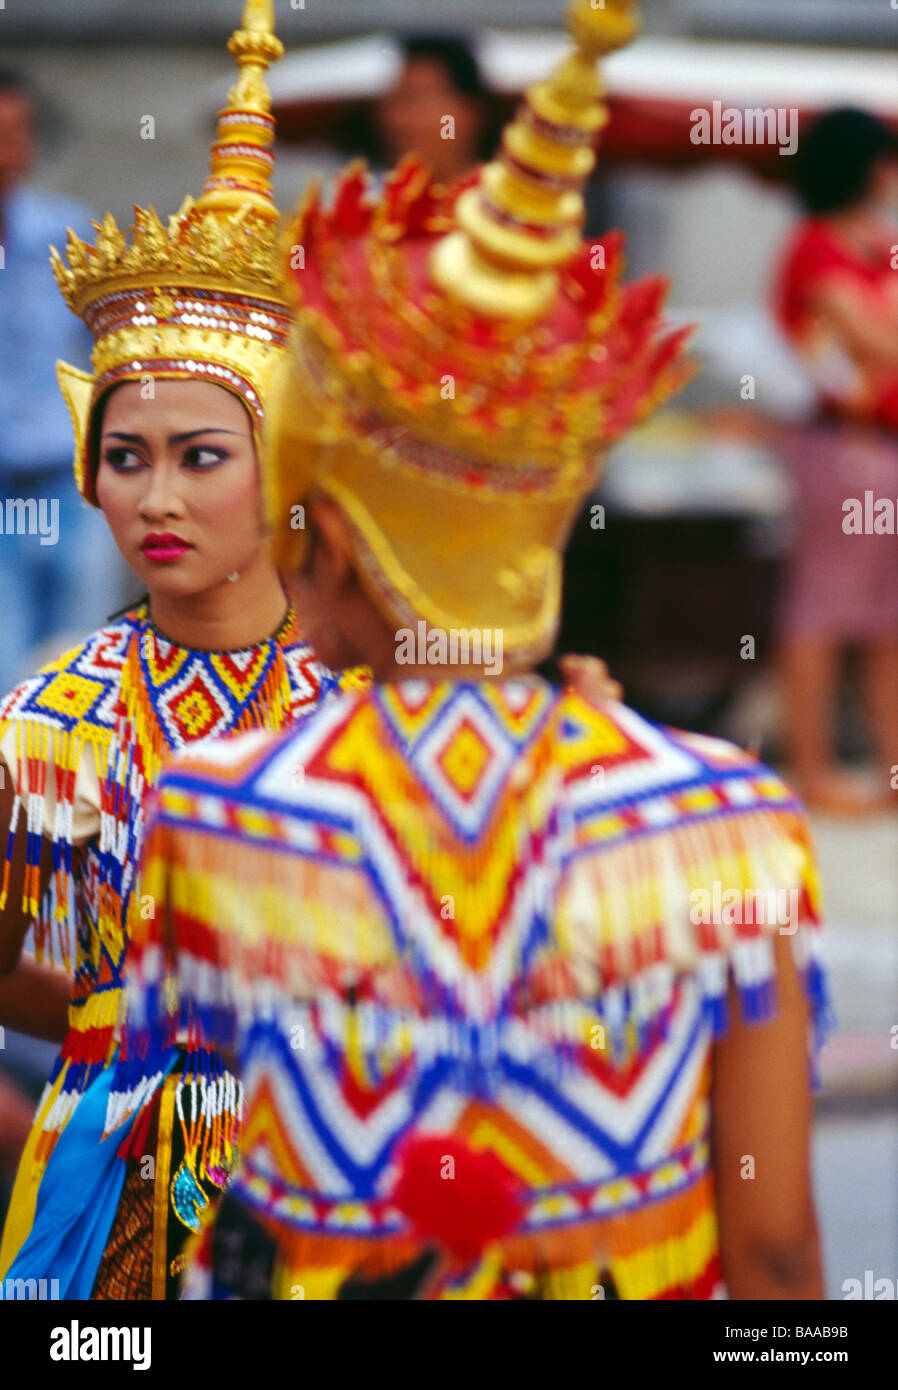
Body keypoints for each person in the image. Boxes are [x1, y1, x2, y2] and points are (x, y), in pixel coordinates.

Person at [126, 0, 829, 1301]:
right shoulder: (726, 819)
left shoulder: (213, 807)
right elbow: (776, 1246)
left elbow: (186, 1207)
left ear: (327, 543)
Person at [0, 0, 371, 1301]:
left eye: (201, 456)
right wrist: (118, 1046)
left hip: (334, 1181)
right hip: (98, 1207)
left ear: (289, 472)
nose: (155, 497)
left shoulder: (365, 710)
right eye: (126, 456)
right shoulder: (42, 719)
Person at [773, 108, 898, 814]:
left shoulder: (874, 249)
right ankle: (812, 767)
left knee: (886, 619)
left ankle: (890, 769)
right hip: (844, 448)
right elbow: (874, 343)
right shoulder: (817, 248)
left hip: (882, 445)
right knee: (823, 607)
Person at [0, 66, 122, 696]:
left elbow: (104, 354)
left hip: (67, 483)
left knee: (80, 661)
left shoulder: (64, 236)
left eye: (14, 134)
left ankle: (77, 793)